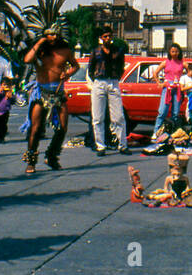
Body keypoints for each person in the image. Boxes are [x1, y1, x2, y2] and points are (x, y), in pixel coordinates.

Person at [23, 32, 80, 171]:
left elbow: (75, 66)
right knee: (35, 129)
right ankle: (31, 161)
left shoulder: (65, 51)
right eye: (48, 34)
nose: (52, 37)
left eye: (55, 34)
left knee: (62, 128)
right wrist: (39, 42)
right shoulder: (40, 51)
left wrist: (67, 74)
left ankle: (51, 156)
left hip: (58, 93)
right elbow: (27, 59)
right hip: (41, 92)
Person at [87, 27, 128, 156]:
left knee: (118, 116)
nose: (107, 39)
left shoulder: (118, 51)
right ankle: (100, 146)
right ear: (101, 38)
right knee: (98, 117)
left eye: (109, 36)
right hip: (99, 82)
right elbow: (90, 69)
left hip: (113, 83)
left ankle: (123, 145)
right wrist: (97, 80)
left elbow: (122, 68)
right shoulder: (96, 51)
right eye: (105, 36)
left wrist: (115, 78)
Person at [151, 43, 186, 141]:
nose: (174, 53)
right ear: (170, 52)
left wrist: (186, 82)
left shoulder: (182, 62)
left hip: (178, 88)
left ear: (179, 52)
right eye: (172, 51)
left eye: (176, 51)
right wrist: (159, 83)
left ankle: (174, 133)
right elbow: (155, 72)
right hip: (167, 88)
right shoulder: (165, 62)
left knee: (175, 113)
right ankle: (156, 132)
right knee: (162, 111)